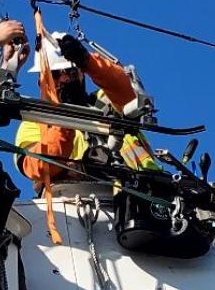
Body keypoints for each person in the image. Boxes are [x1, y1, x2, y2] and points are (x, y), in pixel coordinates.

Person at [14, 32, 159, 184]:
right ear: (41, 82)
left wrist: (87, 61)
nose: (65, 79)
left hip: (148, 194)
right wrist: (65, 119)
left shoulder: (105, 100)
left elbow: (129, 95)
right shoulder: (34, 122)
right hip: (81, 202)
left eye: (71, 71)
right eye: (55, 74)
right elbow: (36, 166)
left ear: (82, 73)